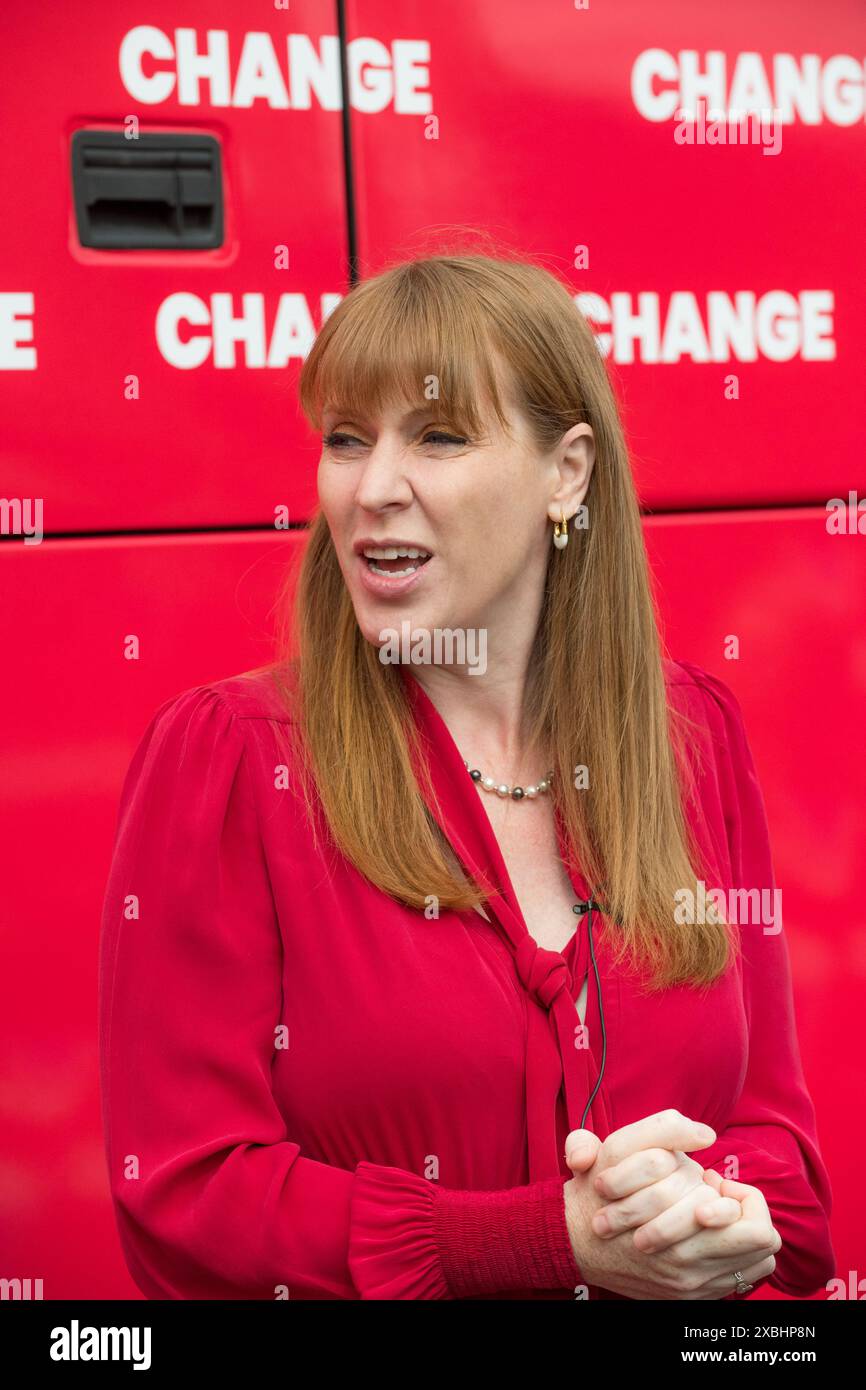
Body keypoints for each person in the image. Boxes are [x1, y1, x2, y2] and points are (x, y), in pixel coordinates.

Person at [98, 252, 835, 1300]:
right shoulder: (230, 755)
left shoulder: (692, 737)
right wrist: (543, 1241)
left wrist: (709, 1210)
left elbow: (786, 1179)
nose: (372, 486)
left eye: (436, 437)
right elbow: (183, 1200)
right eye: (346, 439)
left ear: (566, 474)